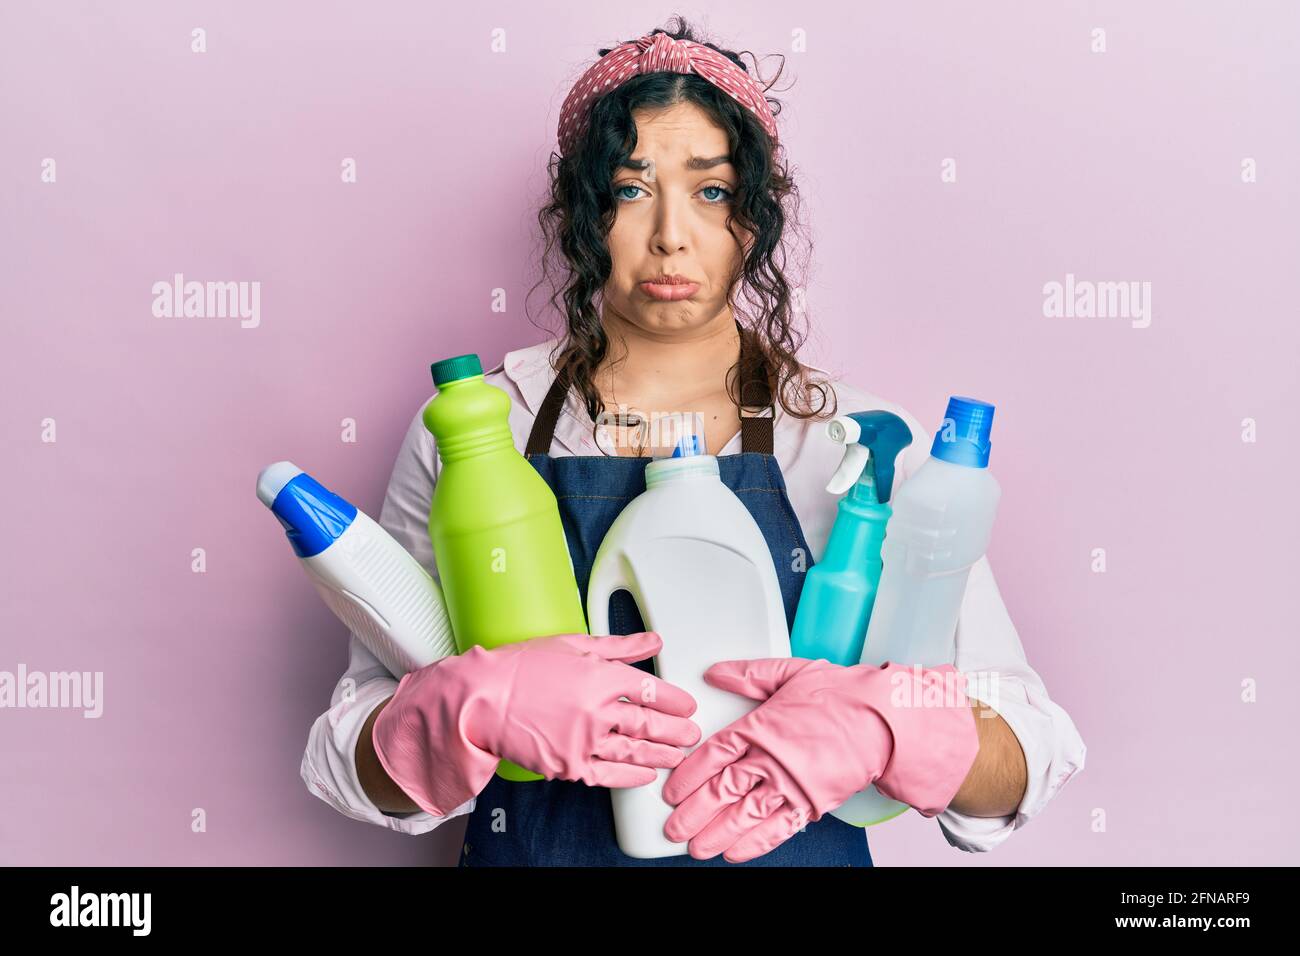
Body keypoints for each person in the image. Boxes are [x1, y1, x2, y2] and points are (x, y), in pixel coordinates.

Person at [300, 18, 1086, 867]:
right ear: (581, 214)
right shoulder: (479, 425)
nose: (672, 234)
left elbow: (1028, 749)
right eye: (631, 190)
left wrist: (898, 730)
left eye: (710, 192)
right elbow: (348, 761)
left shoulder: (854, 442)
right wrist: (458, 710)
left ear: (755, 219)